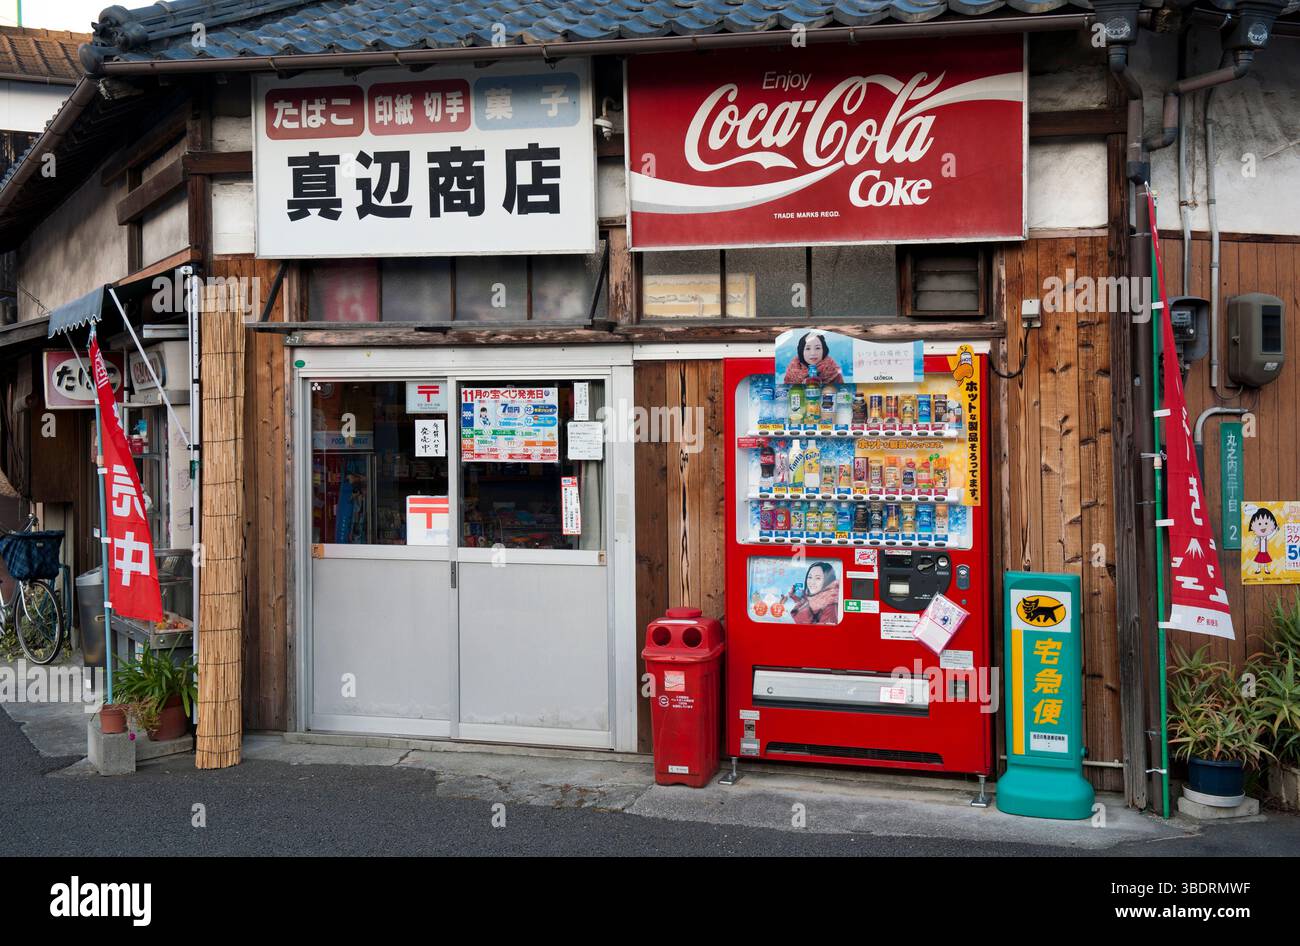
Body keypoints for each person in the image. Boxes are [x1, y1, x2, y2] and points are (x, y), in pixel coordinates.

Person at [1249, 506, 1279, 575]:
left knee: (1265, 561)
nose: (1263, 527)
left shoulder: (1266, 537)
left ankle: (1266, 569)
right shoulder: (1258, 537)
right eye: (1259, 524)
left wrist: (1275, 530)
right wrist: (1256, 540)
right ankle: (1258, 569)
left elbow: (1271, 535)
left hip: (1265, 551)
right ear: (1252, 526)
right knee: (1259, 561)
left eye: (1266, 523)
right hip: (1260, 551)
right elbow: (1254, 544)